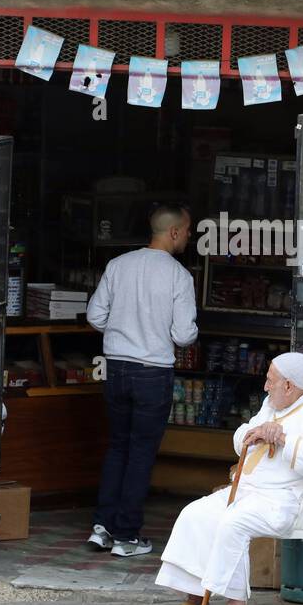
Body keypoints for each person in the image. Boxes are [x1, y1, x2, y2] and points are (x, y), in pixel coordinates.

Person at [154, 352, 303, 605]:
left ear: (289, 386)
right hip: (247, 491)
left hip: (287, 501)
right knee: (193, 514)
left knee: (233, 522)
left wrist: (281, 438)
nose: (265, 387)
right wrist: (255, 431)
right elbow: (239, 440)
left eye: (270, 381)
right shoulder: (271, 404)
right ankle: (194, 600)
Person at [85, 203, 198, 557]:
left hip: (115, 368)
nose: (191, 236)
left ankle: (102, 527)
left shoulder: (118, 266)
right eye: (189, 230)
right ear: (175, 232)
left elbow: (95, 315)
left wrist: (122, 331)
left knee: (118, 445)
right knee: (141, 452)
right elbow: (183, 335)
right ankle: (127, 536)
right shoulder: (180, 276)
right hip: (152, 372)